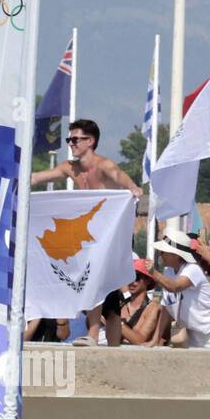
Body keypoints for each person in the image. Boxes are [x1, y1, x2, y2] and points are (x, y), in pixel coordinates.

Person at [31, 120, 142, 344]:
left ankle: (92, 335)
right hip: (90, 239)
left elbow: (120, 176)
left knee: (95, 278)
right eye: (69, 140)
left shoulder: (103, 165)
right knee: (110, 303)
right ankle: (109, 346)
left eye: (75, 139)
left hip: (111, 235)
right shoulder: (70, 168)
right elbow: (36, 177)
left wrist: (132, 187)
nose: (70, 144)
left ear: (90, 141)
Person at [150, 229, 210, 349]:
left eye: (163, 251)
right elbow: (166, 308)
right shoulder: (168, 272)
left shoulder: (193, 269)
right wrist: (155, 340)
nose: (160, 254)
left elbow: (175, 287)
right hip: (192, 337)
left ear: (175, 254)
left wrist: (154, 273)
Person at [102, 260, 162, 347]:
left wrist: (115, 322)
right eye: (128, 277)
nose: (131, 282)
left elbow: (140, 340)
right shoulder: (121, 305)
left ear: (148, 280)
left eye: (136, 277)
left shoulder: (152, 308)